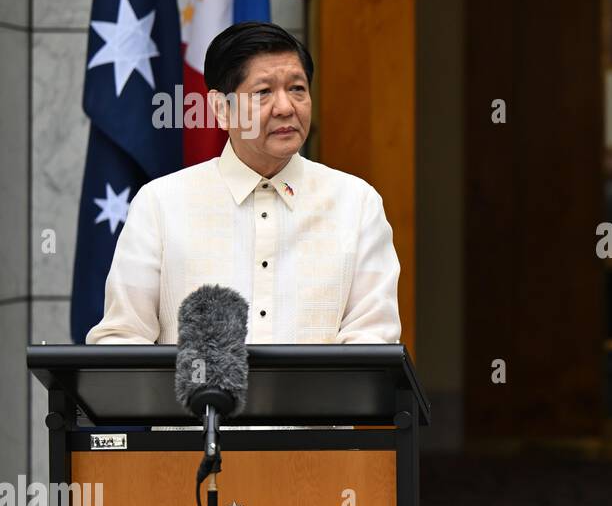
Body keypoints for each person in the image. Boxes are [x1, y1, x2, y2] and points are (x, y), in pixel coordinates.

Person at [87, 21, 401, 344]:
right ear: (221, 109)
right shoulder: (160, 204)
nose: (285, 107)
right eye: (263, 92)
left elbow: (373, 343)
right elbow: (121, 338)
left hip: (319, 398)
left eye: (297, 88)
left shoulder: (357, 204)